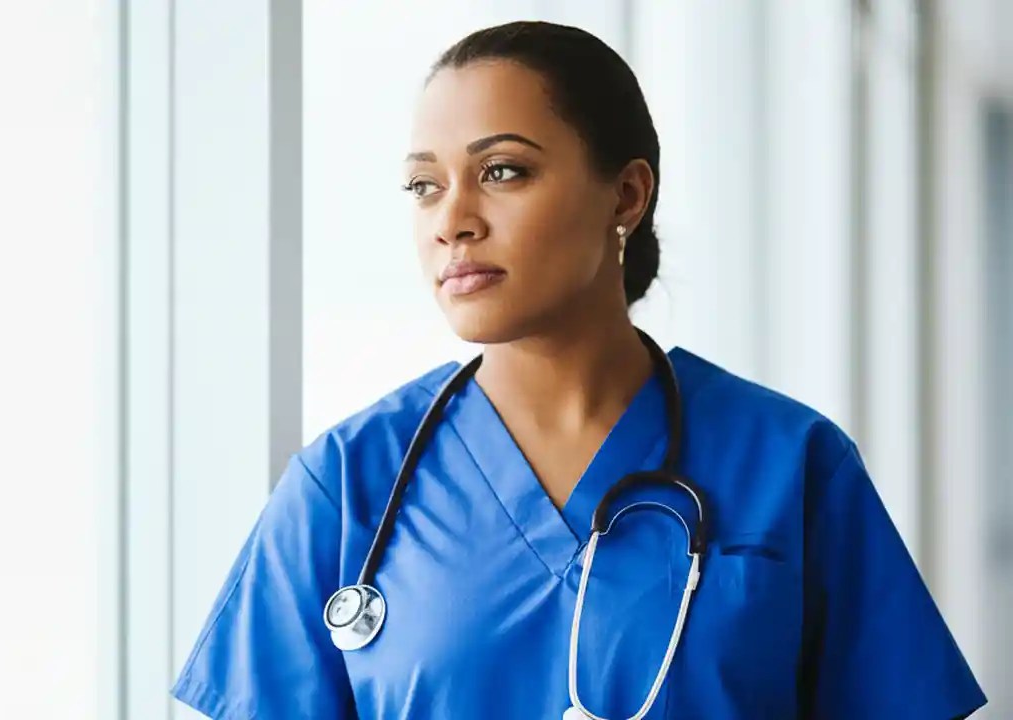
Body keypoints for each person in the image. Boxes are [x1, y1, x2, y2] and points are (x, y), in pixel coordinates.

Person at [170, 20, 986, 719]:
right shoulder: (347, 483)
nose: (453, 221)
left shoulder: (791, 463)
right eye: (424, 186)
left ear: (626, 196)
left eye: (502, 172)